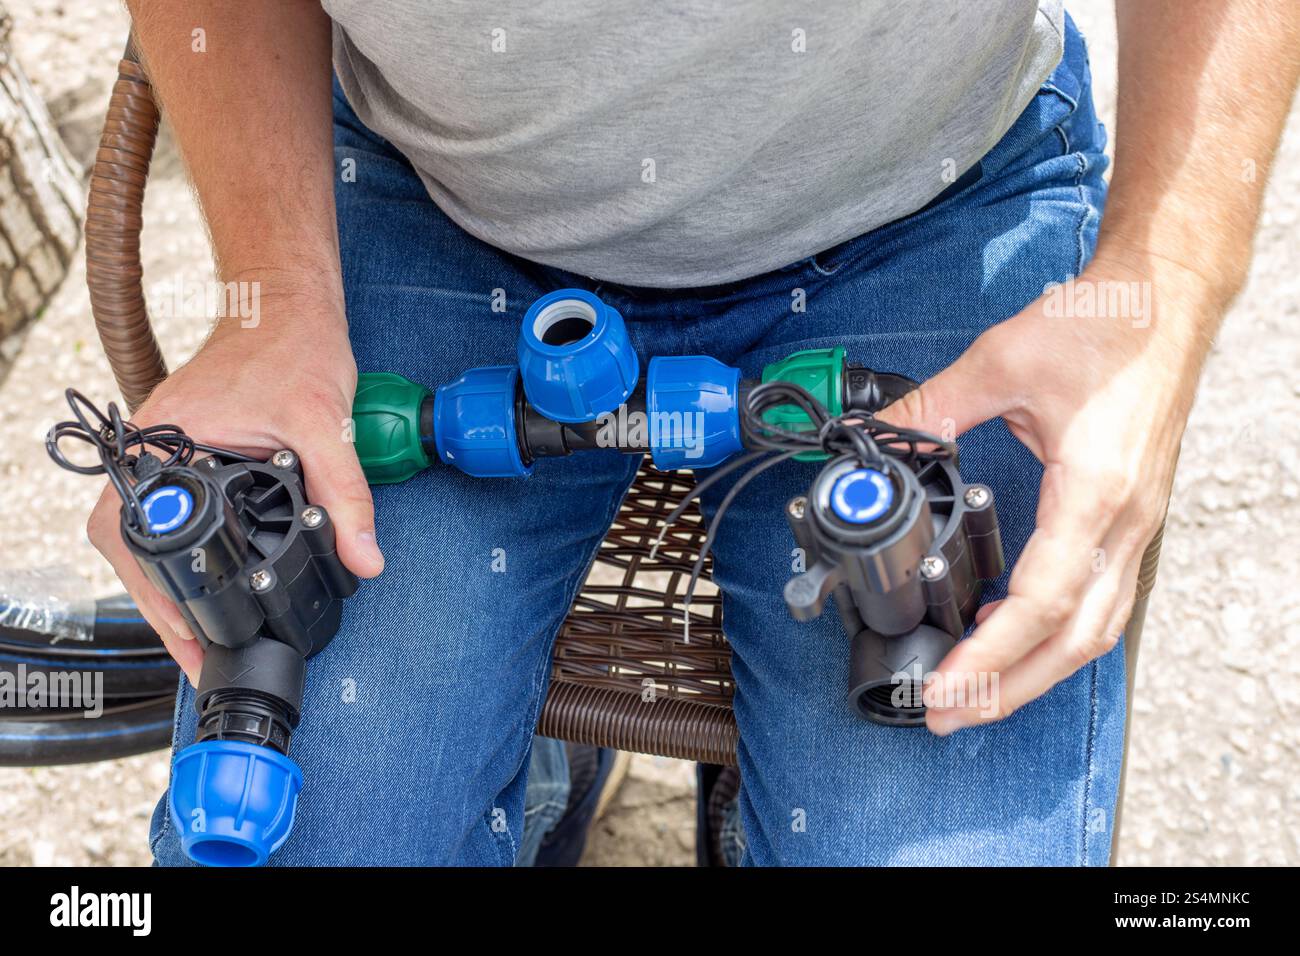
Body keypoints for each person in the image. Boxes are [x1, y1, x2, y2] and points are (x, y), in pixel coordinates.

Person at [97, 1, 1299, 865]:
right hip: (441, 202)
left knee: (936, 764)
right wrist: (277, 288)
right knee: (305, 835)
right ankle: (530, 762)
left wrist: (1160, 291)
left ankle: (759, 781)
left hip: (926, 200)